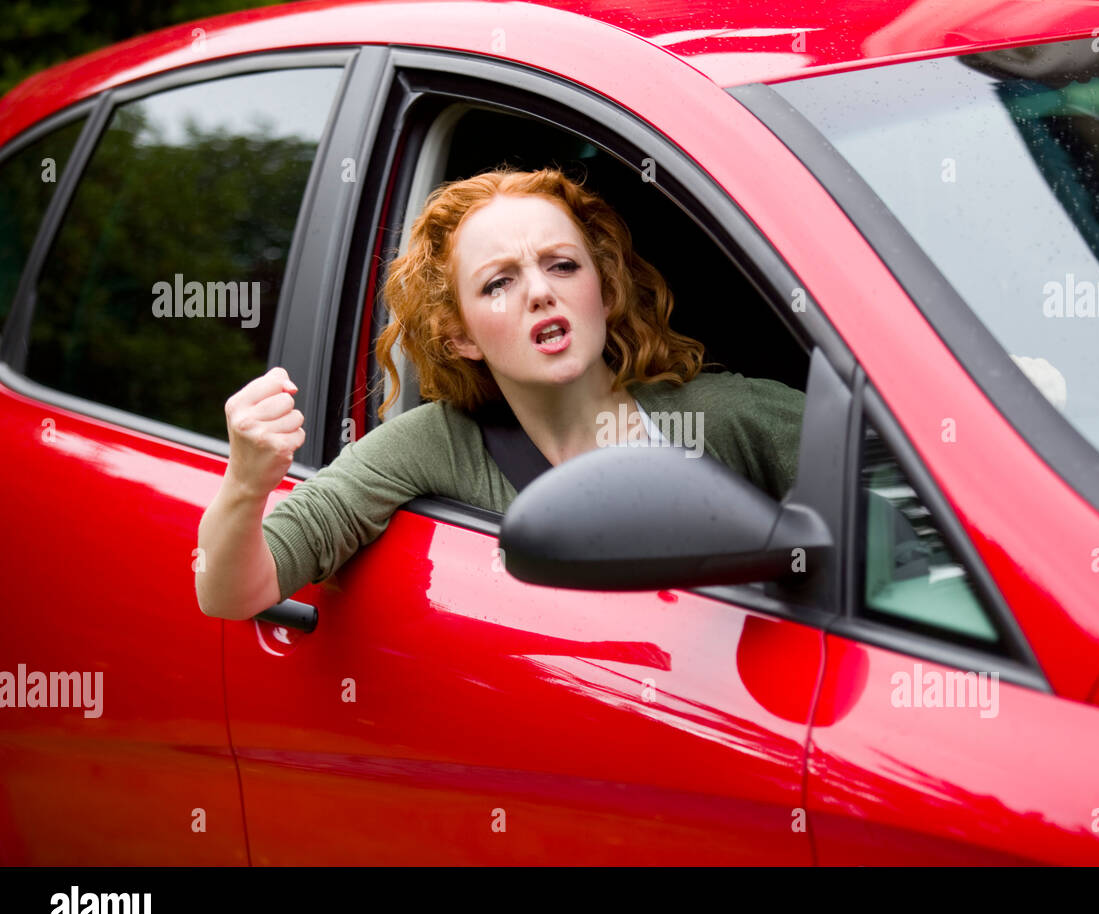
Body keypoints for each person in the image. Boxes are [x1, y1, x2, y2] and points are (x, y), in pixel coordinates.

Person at [195, 166, 806, 620]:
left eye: (563, 265)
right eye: (499, 283)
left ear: (607, 292)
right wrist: (248, 483)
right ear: (460, 335)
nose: (540, 291)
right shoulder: (433, 445)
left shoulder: (731, 415)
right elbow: (234, 592)